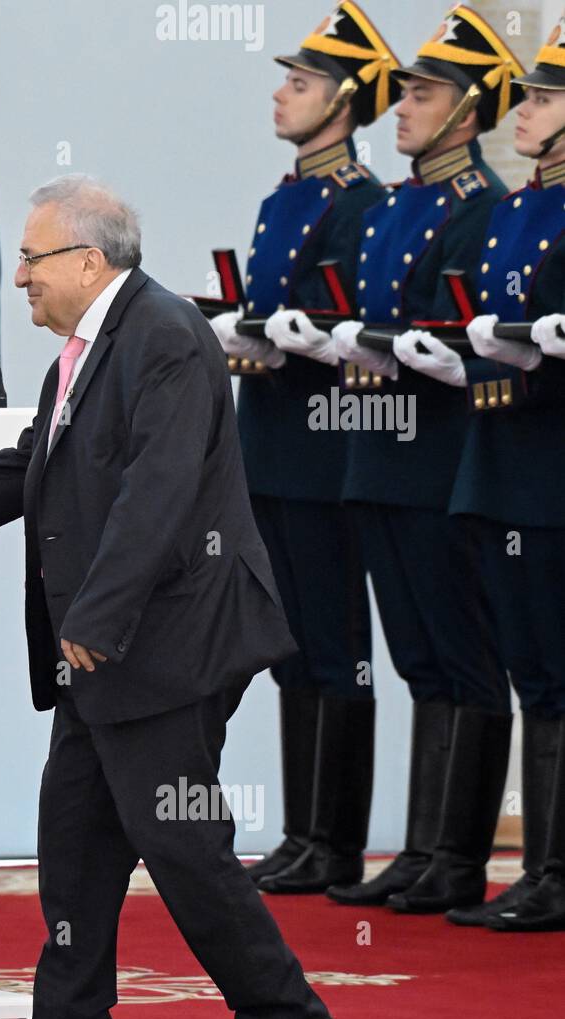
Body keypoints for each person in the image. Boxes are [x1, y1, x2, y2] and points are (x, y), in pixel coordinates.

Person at [0, 175, 334, 1019]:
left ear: (88, 260)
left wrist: (97, 615)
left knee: (180, 837)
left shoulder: (166, 336)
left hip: (166, 640)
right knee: (76, 837)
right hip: (108, 646)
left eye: (31, 257)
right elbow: (33, 464)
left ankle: (280, 1009)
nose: (18, 275)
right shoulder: (89, 345)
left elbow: (160, 491)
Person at [325, 5, 522, 913]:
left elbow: (465, 338)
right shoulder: (398, 207)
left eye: (426, 93)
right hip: (376, 453)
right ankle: (423, 849)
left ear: (469, 113)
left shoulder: (479, 210)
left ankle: (460, 855)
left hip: (441, 456)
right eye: (403, 91)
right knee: (417, 660)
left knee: (464, 655)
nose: (402, 107)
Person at [210, 2, 397, 896]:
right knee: (288, 641)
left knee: (335, 639)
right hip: (272, 437)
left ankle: (339, 839)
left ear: (347, 101)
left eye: (302, 83)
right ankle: (302, 830)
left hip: (326, 442)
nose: (282, 96)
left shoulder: (361, 204)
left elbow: (348, 330)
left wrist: (285, 336)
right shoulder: (285, 197)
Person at [444, 14, 565, 931]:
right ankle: (539, 871)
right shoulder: (521, 207)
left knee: (557, 674)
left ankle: (554, 873)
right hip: (503, 457)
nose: (522, 112)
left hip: (553, 466)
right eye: (526, 96)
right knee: (532, 671)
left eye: (544, 98)